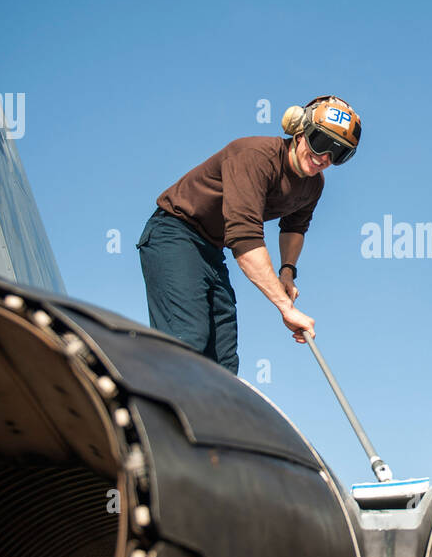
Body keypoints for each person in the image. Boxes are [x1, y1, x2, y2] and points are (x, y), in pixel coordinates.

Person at [137, 95, 362, 373]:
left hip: (211, 249)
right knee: (187, 340)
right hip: (174, 233)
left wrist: (287, 272)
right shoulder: (254, 156)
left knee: (223, 361)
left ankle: (210, 416)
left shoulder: (313, 185)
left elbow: (294, 227)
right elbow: (244, 238)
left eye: (338, 153)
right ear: (300, 132)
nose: (324, 158)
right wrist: (285, 307)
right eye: (321, 143)